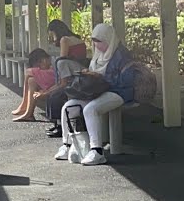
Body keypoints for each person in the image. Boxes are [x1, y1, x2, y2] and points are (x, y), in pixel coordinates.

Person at [53, 23, 135, 166]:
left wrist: (99, 76)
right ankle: (72, 145)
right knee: (68, 107)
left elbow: (126, 79)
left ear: (109, 39)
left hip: (118, 91)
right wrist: (90, 74)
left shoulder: (122, 55)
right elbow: (94, 72)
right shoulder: (99, 55)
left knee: (90, 109)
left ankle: (97, 150)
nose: (97, 45)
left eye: (100, 41)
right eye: (94, 41)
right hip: (97, 90)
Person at [11, 48, 55, 121]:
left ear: (43, 60)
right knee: (31, 81)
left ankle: (24, 105)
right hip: (54, 82)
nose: (39, 68)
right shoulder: (51, 62)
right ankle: (28, 112)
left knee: (28, 72)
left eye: (39, 66)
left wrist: (46, 92)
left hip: (58, 85)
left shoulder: (55, 62)